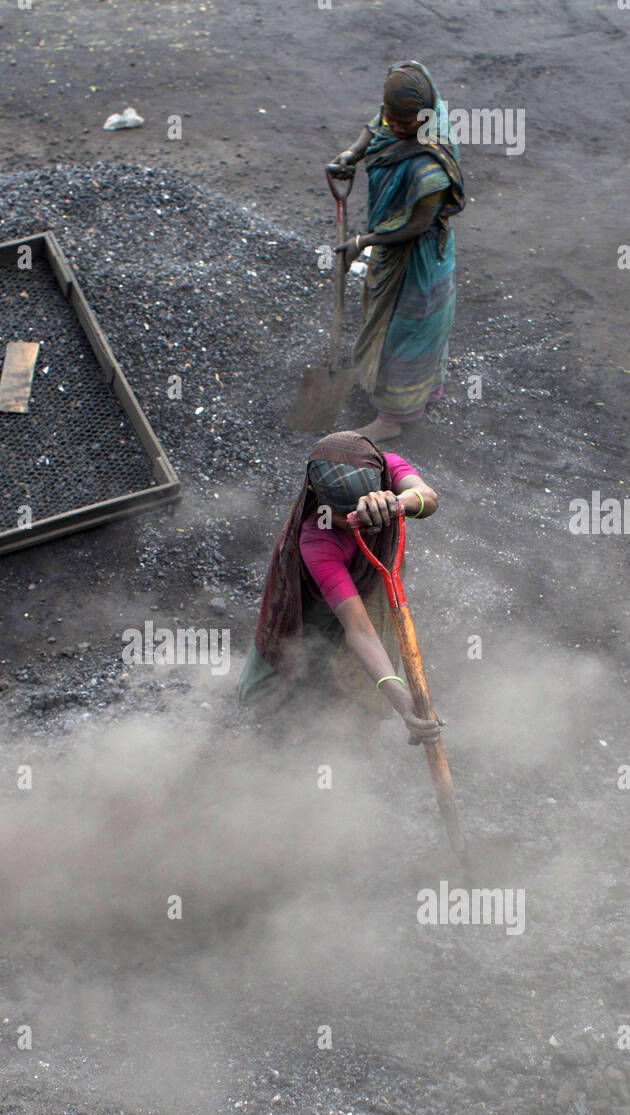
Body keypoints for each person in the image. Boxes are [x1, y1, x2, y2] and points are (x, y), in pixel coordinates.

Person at [237, 431, 443, 744]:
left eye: (357, 510)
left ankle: (347, 716)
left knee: (361, 659)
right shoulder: (317, 539)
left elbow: (428, 499)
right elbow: (358, 629)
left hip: (370, 577)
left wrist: (396, 502)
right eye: (339, 513)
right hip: (312, 594)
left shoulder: (386, 468)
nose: (351, 521)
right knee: (289, 656)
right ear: (313, 491)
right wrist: (404, 702)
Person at [330, 60, 465, 442]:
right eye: (396, 120)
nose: (400, 129)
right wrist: (352, 155)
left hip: (418, 257)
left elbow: (418, 225)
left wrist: (363, 242)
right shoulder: (398, 116)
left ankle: (394, 416)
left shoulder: (430, 166)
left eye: (409, 125)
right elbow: (376, 126)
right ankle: (420, 389)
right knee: (389, 320)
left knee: (404, 330)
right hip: (392, 247)